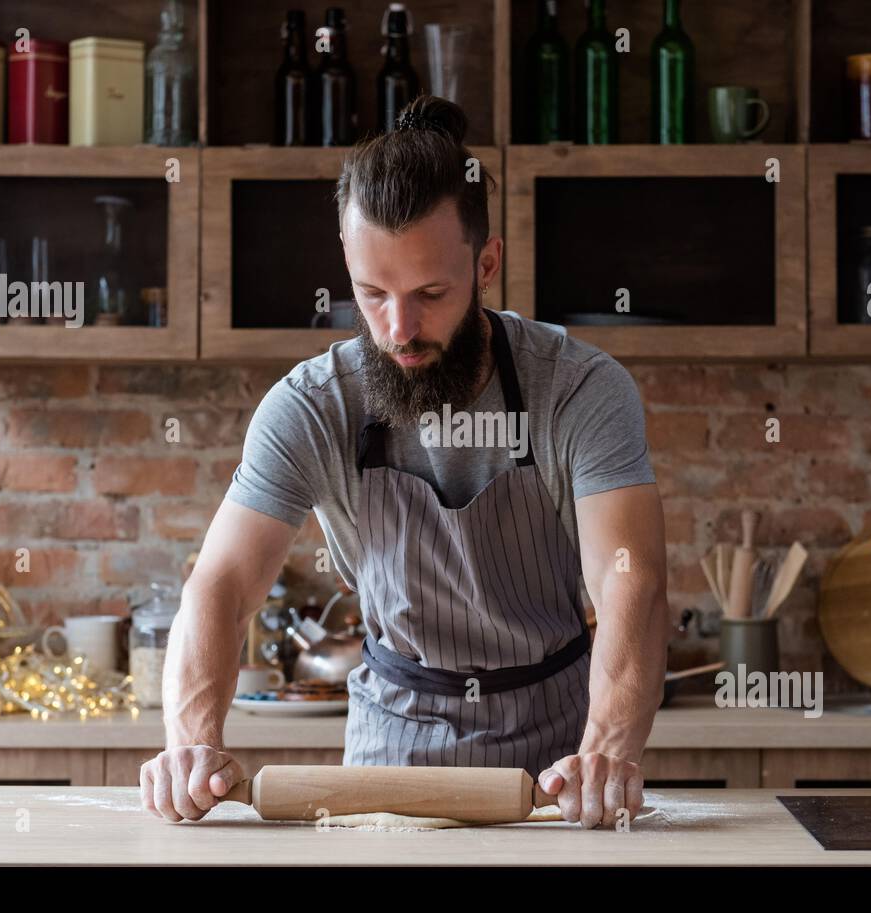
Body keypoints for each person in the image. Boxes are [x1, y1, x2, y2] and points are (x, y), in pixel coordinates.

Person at [141, 94, 670, 829]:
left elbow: (631, 580)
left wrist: (608, 752)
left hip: (559, 768)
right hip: (389, 755)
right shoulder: (311, 406)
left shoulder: (581, 389)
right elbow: (221, 583)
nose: (400, 329)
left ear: (486, 264)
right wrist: (190, 747)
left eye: (430, 293)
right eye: (372, 294)